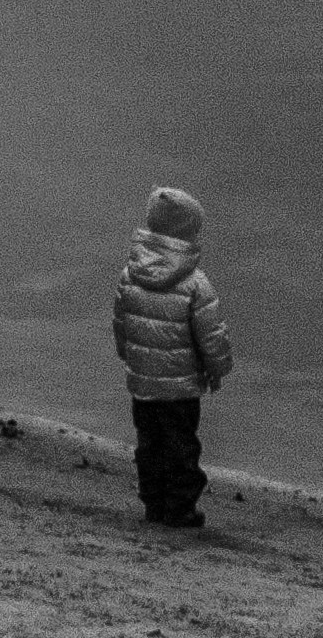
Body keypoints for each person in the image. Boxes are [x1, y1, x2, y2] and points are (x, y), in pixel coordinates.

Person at [110, 185, 233, 528]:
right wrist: (218, 369)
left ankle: (154, 503)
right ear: (190, 232)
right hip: (180, 387)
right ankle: (180, 509)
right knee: (182, 446)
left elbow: (121, 323)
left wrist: (128, 356)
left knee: (149, 444)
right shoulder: (196, 283)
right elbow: (211, 335)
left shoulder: (130, 274)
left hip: (143, 382)